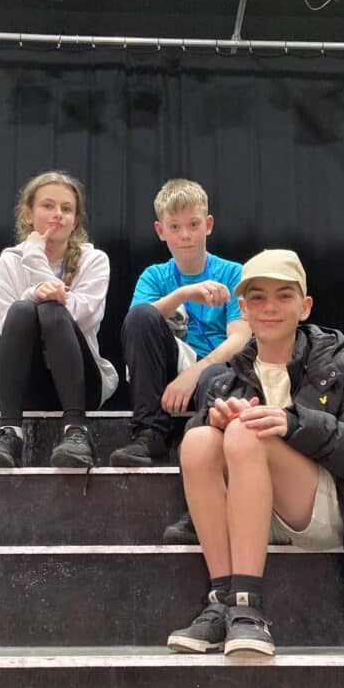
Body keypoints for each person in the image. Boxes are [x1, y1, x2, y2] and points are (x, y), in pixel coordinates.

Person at [167, 248, 344, 658]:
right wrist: (212, 422)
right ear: (242, 309)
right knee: (197, 440)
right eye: (258, 298)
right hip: (252, 510)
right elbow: (202, 458)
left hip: (330, 510)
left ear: (305, 306)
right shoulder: (225, 380)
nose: (270, 307)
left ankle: (247, 607)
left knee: (249, 432)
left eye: (284, 295)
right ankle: (222, 599)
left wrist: (295, 424)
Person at [0, 171, 117, 469]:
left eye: (67, 209)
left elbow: (80, 317)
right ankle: (10, 432)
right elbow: (9, 328)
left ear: (76, 220)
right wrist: (35, 289)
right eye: (48, 206)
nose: (58, 215)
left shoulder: (95, 260)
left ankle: (76, 430)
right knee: (22, 310)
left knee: (54, 311)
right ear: (28, 214)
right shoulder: (10, 260)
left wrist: (37, 267)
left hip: (81, 383)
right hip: (29, 384)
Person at [109, 179, 250, 470]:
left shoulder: (234, 272)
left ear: (208, 225)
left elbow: (240, 340)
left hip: (216, 372)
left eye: (193, 224)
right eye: (175, 227)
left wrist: (193, 375)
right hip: (166, 373)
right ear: (161, 231)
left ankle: (206, 455)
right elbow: (135, 324)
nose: (185, 235)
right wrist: (184, 293)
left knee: (215, 372)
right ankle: (148, 434)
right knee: (141, 315)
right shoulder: (154, 276)